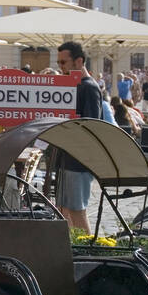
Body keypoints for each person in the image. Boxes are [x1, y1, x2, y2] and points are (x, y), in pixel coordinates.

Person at [55, 41, 104, 233]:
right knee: (63, 209)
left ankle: (87, 253)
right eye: (59, 63)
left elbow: (92, 126)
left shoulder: (89, 87)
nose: (60, 67)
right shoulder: (71, 85)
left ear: (79, 61)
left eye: (63, 63)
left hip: (79, 160)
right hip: (66, 157)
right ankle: (71, 250)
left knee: (76, 210)